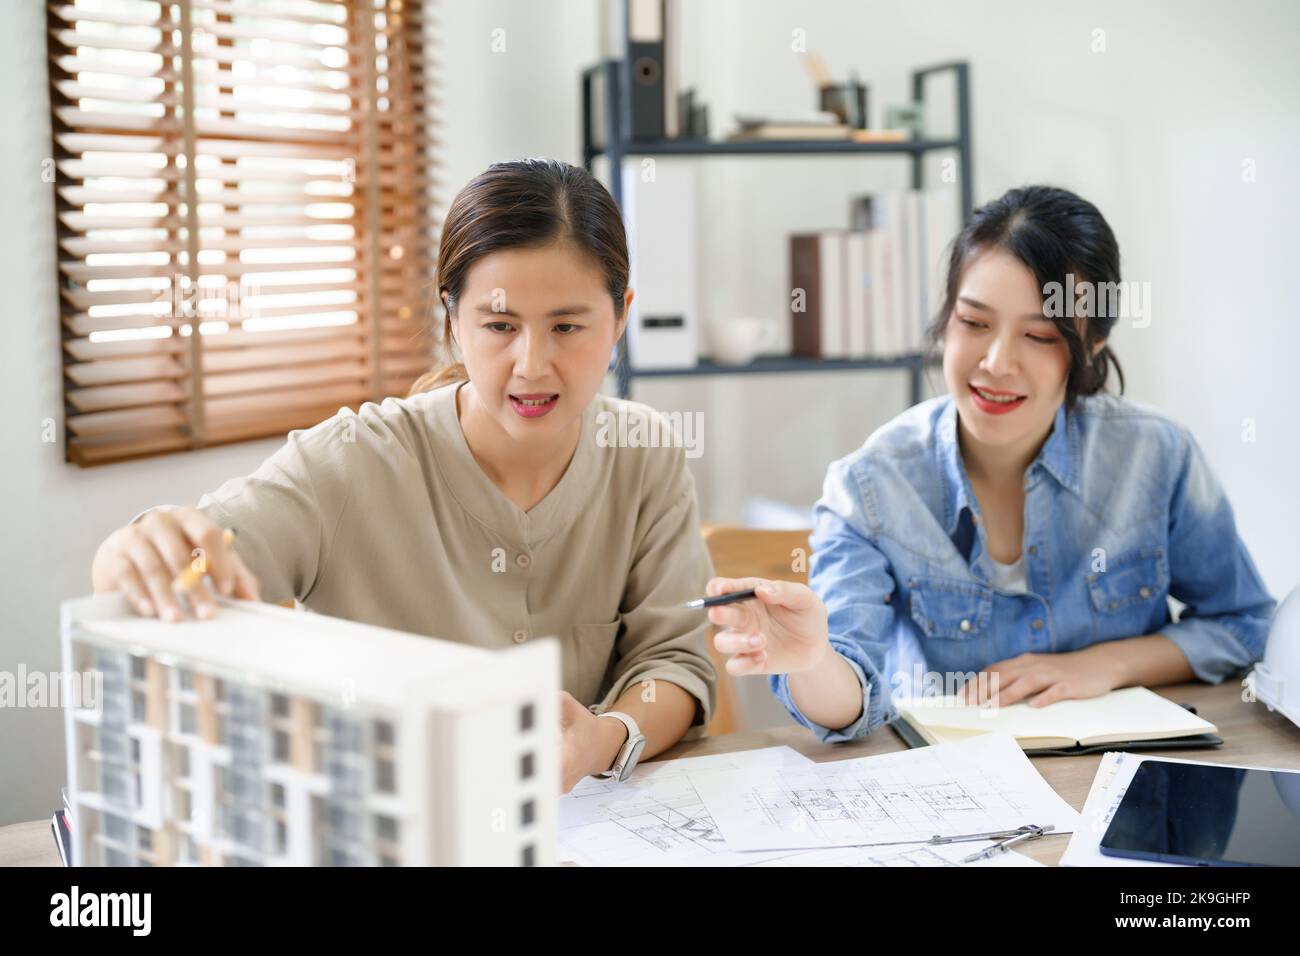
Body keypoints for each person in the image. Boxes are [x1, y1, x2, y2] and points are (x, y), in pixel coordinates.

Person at [91, 158, 716, 790]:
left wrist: (601, 739)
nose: (532, 364)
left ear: (619, 319)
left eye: (567, 326)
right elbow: (204, 555)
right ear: (452, 321)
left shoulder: (644, 450)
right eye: (499, 326)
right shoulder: (353, 460)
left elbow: (674, 660)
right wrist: (142, 553)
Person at [707, 184, 1275, 741]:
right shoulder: (872, 483)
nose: (997, 362)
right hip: (954, 805)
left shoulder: (1157, 454)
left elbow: (1245, 623)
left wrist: (1108, 664)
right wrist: (812, 661)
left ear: (1092, 348)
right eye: (974, 323)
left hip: (1133, 793)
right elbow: (846, 697)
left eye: (1039, 335)